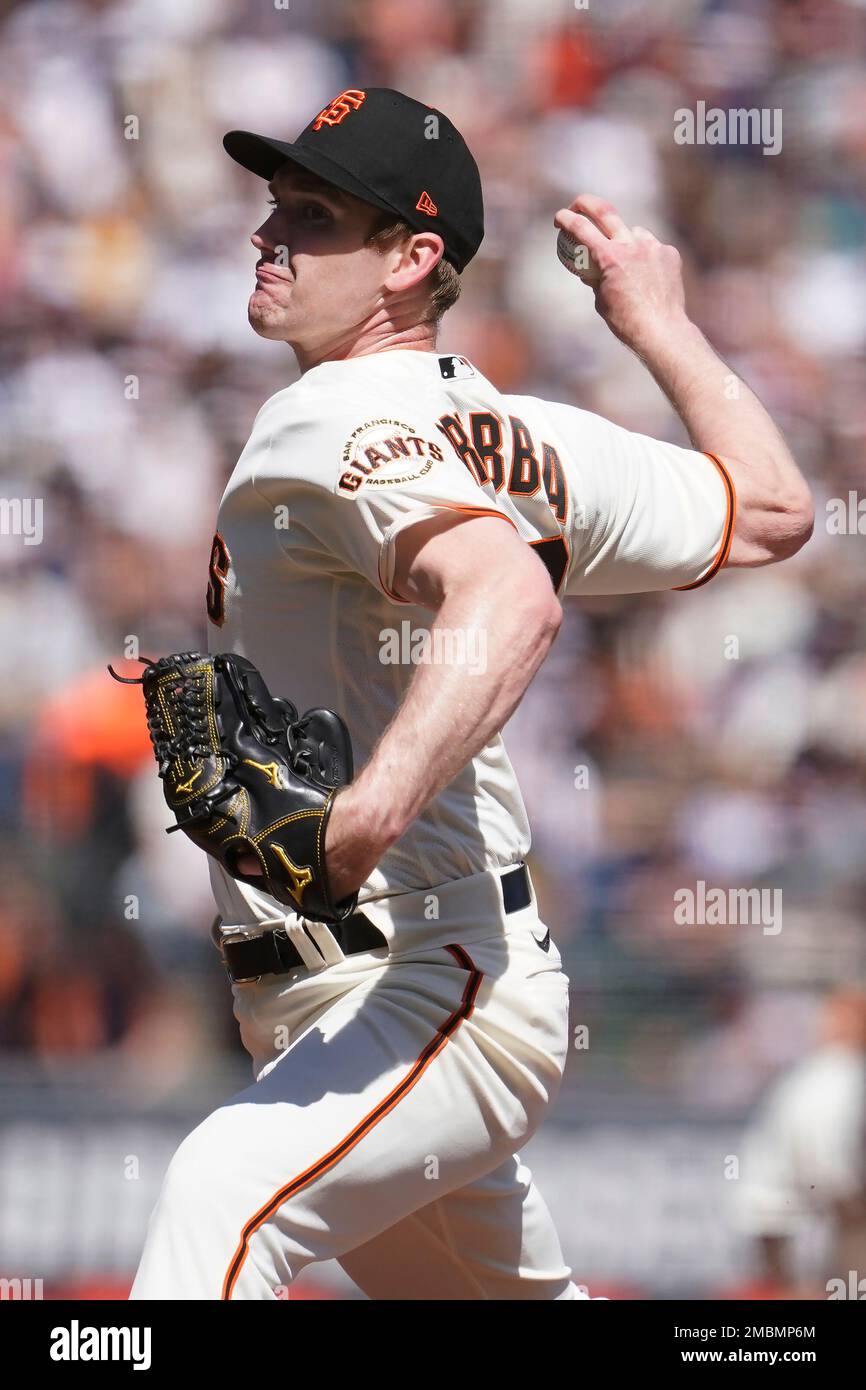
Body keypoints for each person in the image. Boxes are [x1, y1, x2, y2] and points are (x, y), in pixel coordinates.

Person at [129, 87, 812, 1300]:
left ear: (412, 256)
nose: (267, 234)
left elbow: (508, 600)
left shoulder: (335, 413)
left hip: (421, 978)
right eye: (273, 205)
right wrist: (655, 323)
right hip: (372, 988)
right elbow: (766, 510)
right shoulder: (508, 430)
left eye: (313, 214)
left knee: (215, 1205)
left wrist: (363, 817)